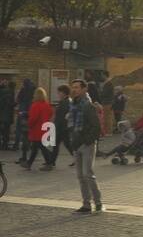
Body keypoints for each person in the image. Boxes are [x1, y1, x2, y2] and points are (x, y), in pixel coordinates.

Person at [67, 80, 103, 213]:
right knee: (80, 176)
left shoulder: (88, 105)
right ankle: (86, 204)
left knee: (88, 174)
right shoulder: (73, 105)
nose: (74, 90)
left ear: (84, 89)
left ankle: (98, 202)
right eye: (73, 88)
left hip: (86, 144)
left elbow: (96, 127)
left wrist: (87, 140)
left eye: (77, 88)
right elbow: (72, 125)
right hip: (76, 143)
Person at [21, 87, 55, 171]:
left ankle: (49, 163)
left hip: (37, 129)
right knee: (36, 147)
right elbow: (51, 113)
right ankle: (29, 163)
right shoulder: (46, 105)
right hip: (45, 128)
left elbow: (33, 118)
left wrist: (28, 124)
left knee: (40, 147)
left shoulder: (35, 105)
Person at [44, 84, 73, 171]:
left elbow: (61, 117)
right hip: (62, 127)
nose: (58, 94)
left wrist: (55, 127)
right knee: (58, 145)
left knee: (65, 145)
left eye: (59, 92)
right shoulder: (67, 101)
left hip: (62, 128)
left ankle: (51, 162)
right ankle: (52, 162)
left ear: (64, 93)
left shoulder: (65, 102)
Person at [0, 79, 14, 151]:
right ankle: (5, 145)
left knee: (3, 131)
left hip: (2, 116)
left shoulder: (2, 94)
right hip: (7, 117)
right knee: (6, 132)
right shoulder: (9, 94)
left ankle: (3, 145)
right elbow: (11, 105)